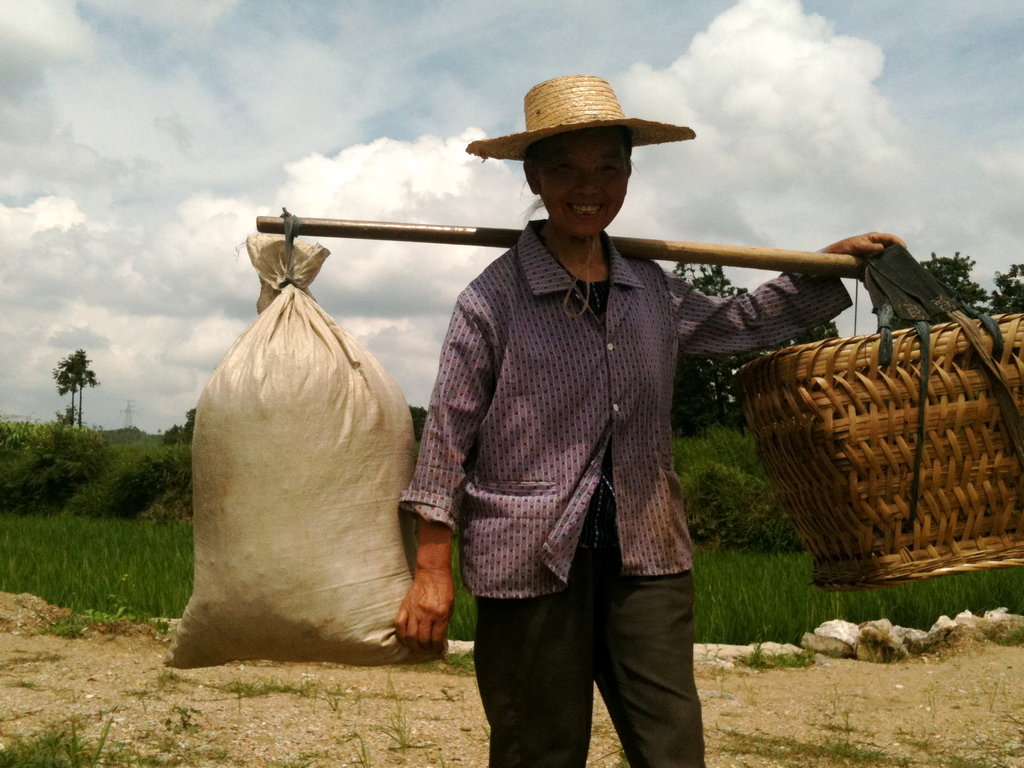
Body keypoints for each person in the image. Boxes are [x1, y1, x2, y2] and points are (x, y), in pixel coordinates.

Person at [394, 74, 905, 768]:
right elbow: (447, 438)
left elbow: (738, 322)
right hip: (527, 560)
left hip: (647, 551)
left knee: (671, 745)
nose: (590, 186)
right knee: (537, 747)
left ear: (629, 176)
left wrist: (823, 269)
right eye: (568, 168)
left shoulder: (651, 288)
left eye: (609, 167)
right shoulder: (493, 300)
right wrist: (431, 569)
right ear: (535, 177)